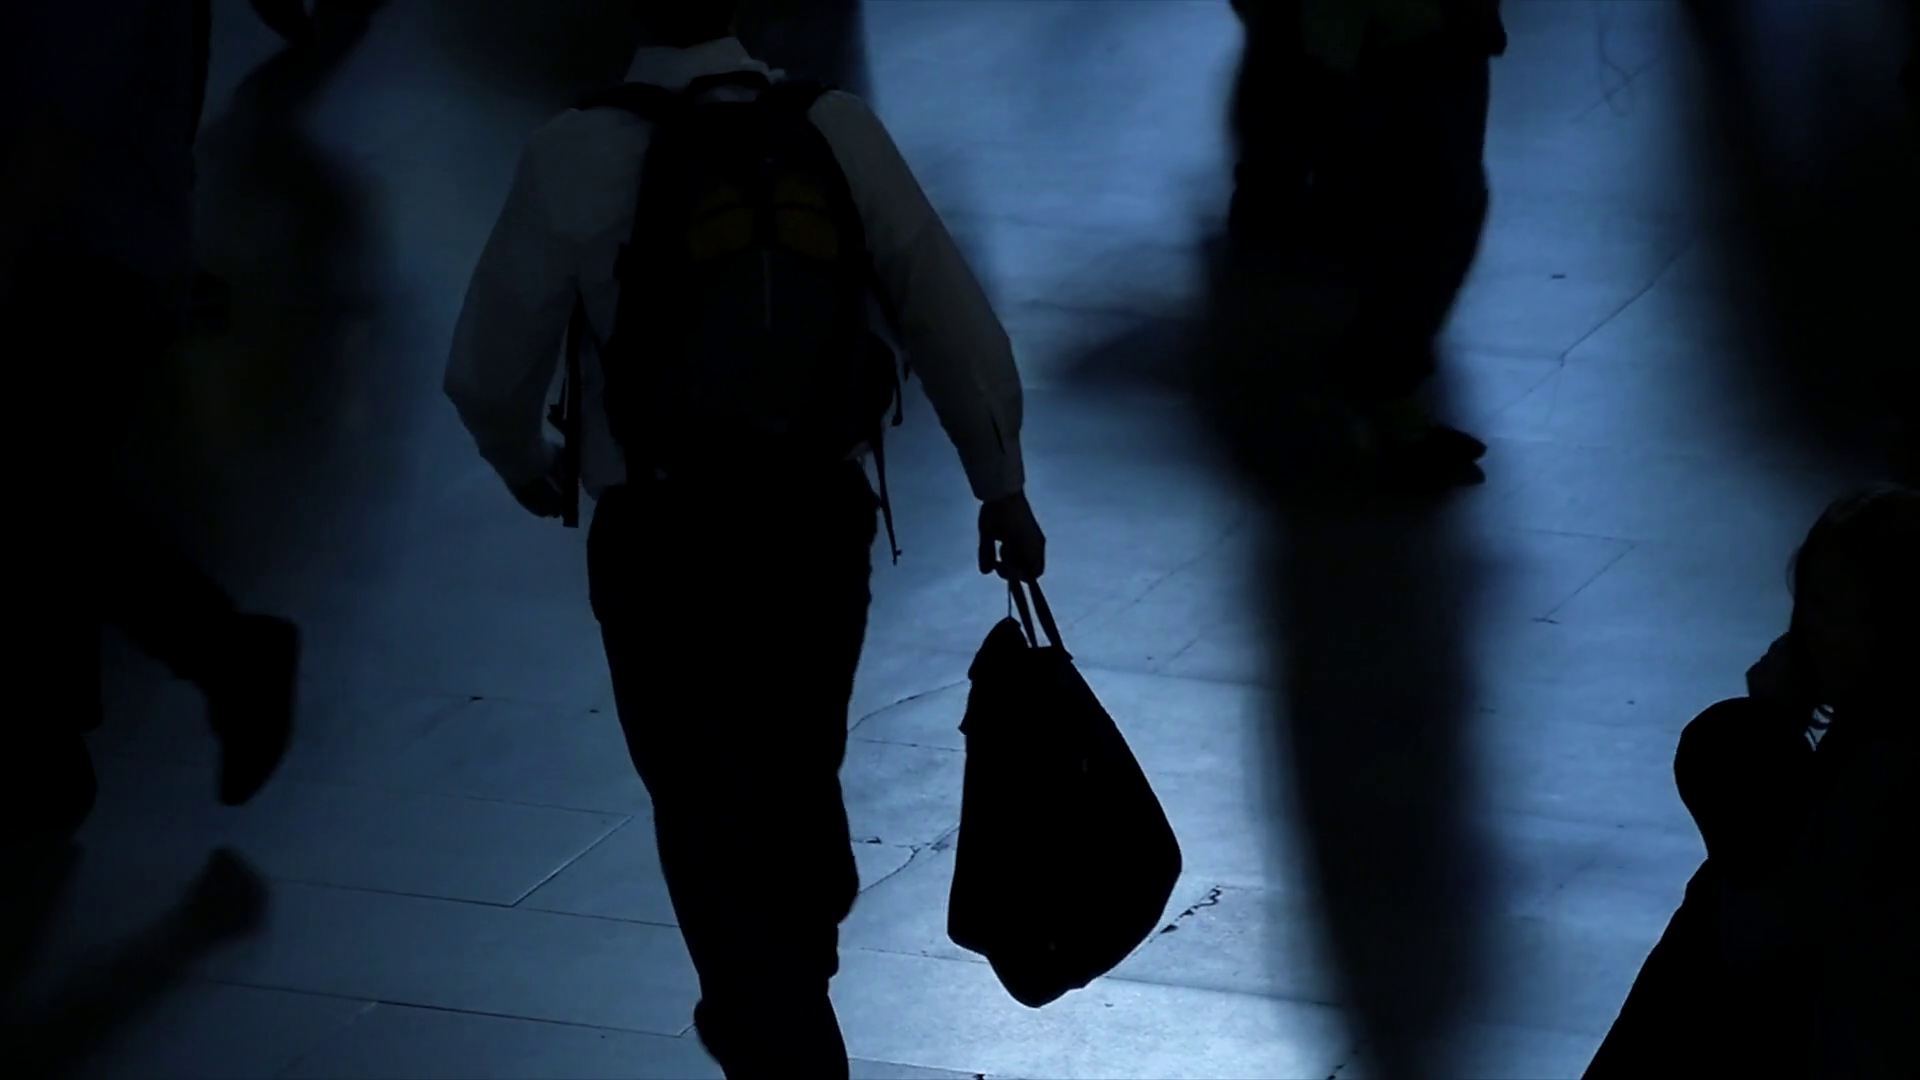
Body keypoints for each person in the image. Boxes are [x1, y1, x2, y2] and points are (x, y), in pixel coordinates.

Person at [441, 1, 1043, 1075]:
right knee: (797, 761)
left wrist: (533, 468)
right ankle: (790, 973)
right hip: (815, 520)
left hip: (661, 538)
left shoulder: (574, 151)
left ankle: (776, 1024)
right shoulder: (833, 129)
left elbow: (486, 373)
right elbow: (952, 320)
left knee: (703, 798)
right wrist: (1000, 488)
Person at [1, 0, 301, 847]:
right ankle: (217, 663)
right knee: (50, 495)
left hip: (83, 262)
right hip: (95, 254)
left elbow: (51, 130)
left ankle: (215, 663)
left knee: (42, 491)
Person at [1586, 485, 1920, 1078]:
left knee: (1733, 764)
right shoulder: (1876, 746)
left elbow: (1759, 943)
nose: (1816, 632)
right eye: (1814, 606)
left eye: (1841, 610)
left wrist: (1773, 730)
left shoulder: (1885, 770)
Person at [1231, 0, 1506, 491]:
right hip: (1403, 30)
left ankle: (1378, 395)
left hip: (1374, 33)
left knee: (1415, 208)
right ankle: (1379, 392)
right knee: (1434, 209)